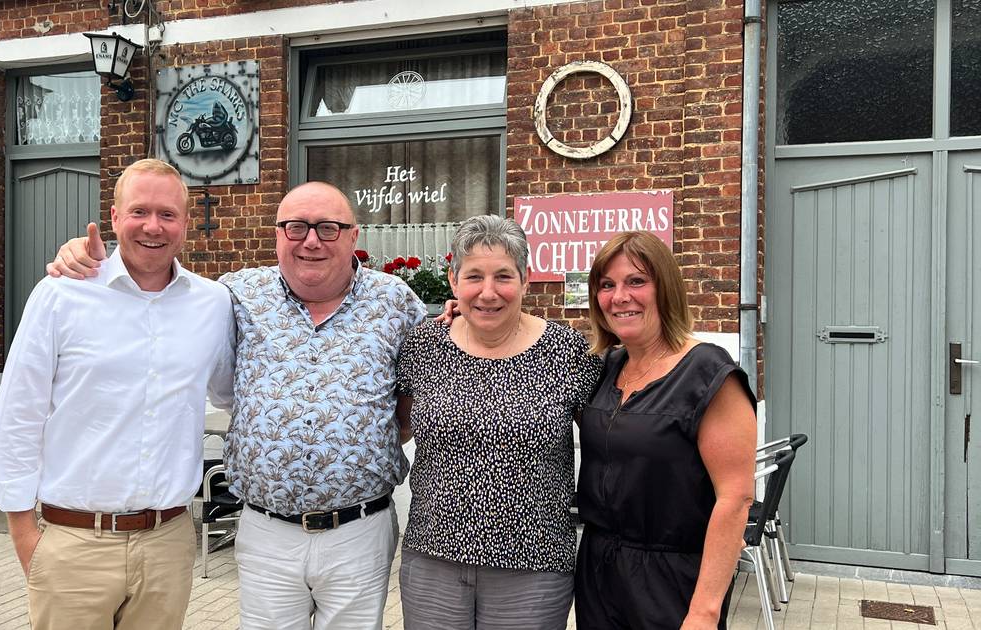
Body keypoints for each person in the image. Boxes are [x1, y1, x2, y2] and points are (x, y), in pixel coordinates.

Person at [47, 181, 426, 630]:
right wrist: (86, 257)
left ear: (353, 236)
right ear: (277, 234)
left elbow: (426, 380)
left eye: (328, 228)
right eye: (296, 227)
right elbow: (157, 285)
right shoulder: (236, 295)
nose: (311, 241)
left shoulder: (397, 301)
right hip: (266, 531)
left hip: (361, 529)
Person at [0, 158, 235, 630]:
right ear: (115, 218)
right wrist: (24, 535)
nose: (153, 226)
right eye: (139, 212)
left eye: (167, 214)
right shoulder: (61, 293)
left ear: (185, 224)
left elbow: (234, 393)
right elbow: (18, 414)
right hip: (74, 544)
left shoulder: (213, 304)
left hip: (168, 543)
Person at [396, 215, 602, 630]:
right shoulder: (423, 345)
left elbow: (605, 444)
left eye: (503, 276)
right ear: (454, 283)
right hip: (432, 559)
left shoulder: (567, 351)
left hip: (534, 567)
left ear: (526, 282)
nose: (488, 292)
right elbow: (401, 426)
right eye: (474, 276)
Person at [574, 231, 757, 629]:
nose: (619, 296)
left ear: (666, 289)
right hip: (598, 573)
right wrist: (461, 316)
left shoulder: (707, 371)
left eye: (636, 281)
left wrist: (705, 611)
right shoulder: (606, 369)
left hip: (672, 581)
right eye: (607, 285)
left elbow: (736, 497)